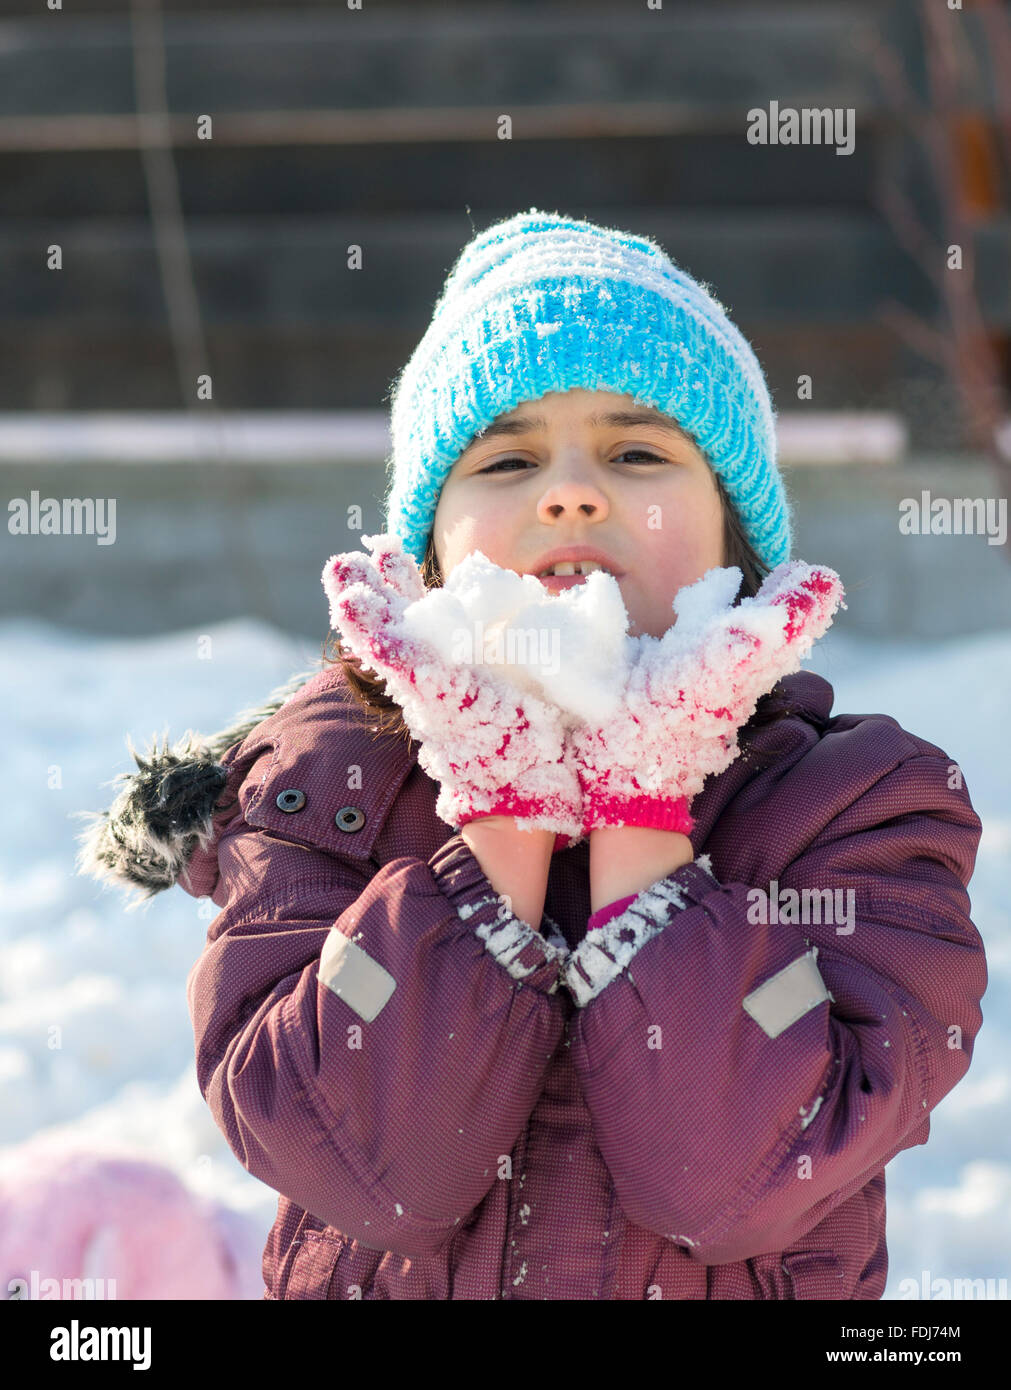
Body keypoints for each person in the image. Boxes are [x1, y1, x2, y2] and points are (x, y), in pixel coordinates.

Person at [77, 209, 987, 1301]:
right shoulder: (328, 783)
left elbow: (734, 1178)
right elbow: (368, 1168)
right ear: (428, 551)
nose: (569, 491)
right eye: (506, 457)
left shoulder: (861, 810)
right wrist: (501, 806)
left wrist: (644, 808)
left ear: (736, 543)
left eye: (636, 450)